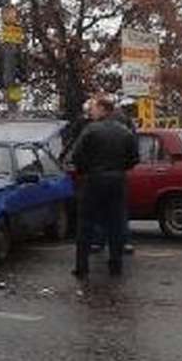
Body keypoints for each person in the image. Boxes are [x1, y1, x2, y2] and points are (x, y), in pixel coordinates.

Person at [71, 95, 139, 278]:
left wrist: (85, 170)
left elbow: (77, 156)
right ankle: (116, 264)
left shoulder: (90, 130)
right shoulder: (125, 132)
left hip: (93, 180)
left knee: (85, 223)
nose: (91, 111)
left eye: (94, 108)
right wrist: (120, 169)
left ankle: (82, 266)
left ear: (102, 109)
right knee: (116, 223)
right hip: (117, 181)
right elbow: (134, 158)